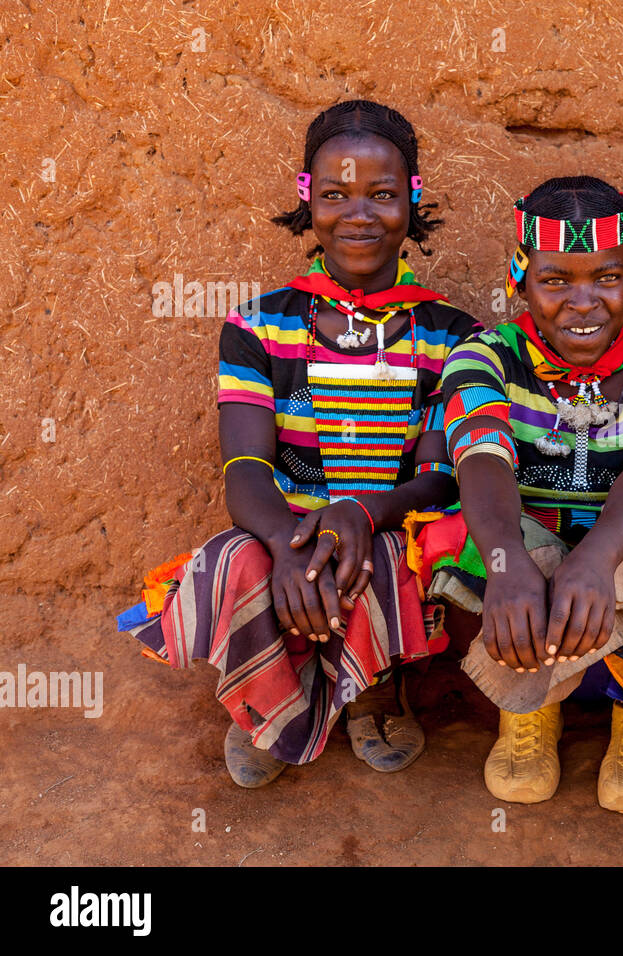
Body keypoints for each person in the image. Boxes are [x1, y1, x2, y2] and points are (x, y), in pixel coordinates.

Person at [117, 100, 480, 788]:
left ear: (413, 198)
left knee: (405, 551)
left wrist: (363, 514)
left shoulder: (452, 334)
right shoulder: (258, 326)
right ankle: (269, 695)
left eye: (382, 194)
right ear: (307, 198)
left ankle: (371, 687)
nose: (359, 215)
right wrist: (287, 544)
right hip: (286, 532)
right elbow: (246, 472)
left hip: (386, 528)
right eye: (337, 195)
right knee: (232, 557)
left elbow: (438, 479)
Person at [406, 176, 623, 813]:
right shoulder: (487, 353)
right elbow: (480, 457)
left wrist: (597, 559)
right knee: (468, 533)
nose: (583, 303)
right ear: (520, 279)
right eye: (554, 281)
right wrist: (506, 561)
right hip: (526, 592)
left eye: (606, 278)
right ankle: (528, 708)